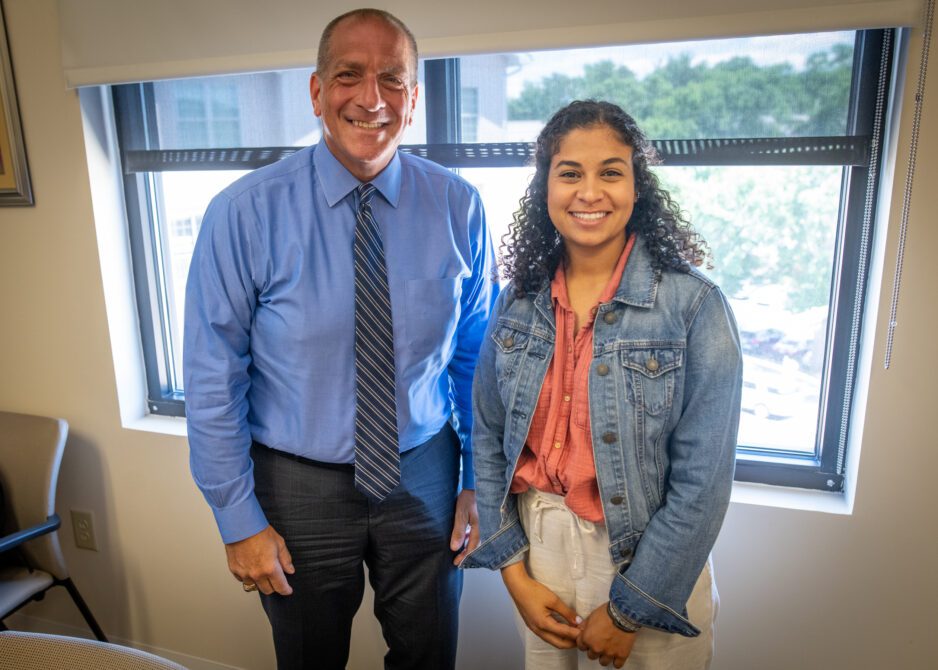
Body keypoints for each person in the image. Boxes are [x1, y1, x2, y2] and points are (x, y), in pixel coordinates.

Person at [183, 8, 497, 670]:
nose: (371, 99)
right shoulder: (243, 213)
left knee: (430, 654)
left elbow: (477, 361)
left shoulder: (459, 207)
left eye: (392, 79)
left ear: (414, 98)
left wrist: (479, 479)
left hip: (427, 471)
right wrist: (237, 519)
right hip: (296, 485)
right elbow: (213, 376)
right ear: (317, 91)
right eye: (349, 75)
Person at [462, 100, 742, 669]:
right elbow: (488, 439)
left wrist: (629, 611)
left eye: (611, 172)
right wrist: (512, 570)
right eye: (570, 173)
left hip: (650, 563)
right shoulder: (516, 300)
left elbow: (703, 482)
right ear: (545, 187)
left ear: (638, 187)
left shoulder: (695, 306)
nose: (589, 192)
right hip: (539, 550)